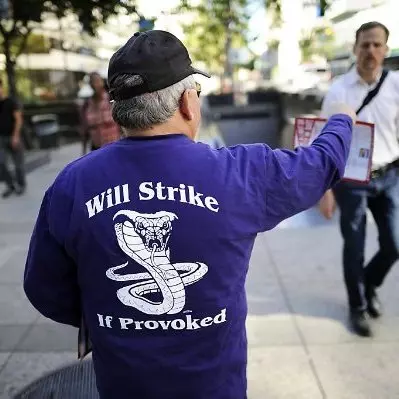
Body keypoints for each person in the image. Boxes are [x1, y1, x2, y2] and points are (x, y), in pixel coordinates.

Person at [24, 30, 355, 399]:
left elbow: (43, 289)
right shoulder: (242, 173)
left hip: (122, 386)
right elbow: (322, 163)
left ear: (119, 110)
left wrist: (114, 318)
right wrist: (342, 119)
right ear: (186, 103)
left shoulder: (72, 184)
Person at [320, 21, 399, 337]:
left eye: (377, 45)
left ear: (386, 49)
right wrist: (324, 189)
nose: (370, 51)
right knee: (353, 246)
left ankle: (368, 283)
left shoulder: (396, 85)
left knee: (395, 244)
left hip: (390, 174)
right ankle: (358, 306)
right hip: (351, 180)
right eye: (365, 44)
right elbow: (324, 140)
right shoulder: (339, 89)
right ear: (355, 49)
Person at [81, 72, 121, 153]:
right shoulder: (87, 104)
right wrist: (83, 153)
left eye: (97, 81)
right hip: (97, 149)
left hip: (115, 147)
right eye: (92, 82)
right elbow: (85, 130)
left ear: (102, 82)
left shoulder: (111, 99)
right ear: (90, 85)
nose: (95, 84)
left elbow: (122, 124)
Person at [0, 79, 25, 198]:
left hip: (13, 136)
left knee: (18, 164)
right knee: (1, 162)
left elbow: (18, 119)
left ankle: (21, 184)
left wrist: (15, 136)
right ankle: (10, 185)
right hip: (1, 138)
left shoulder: (11, 102)